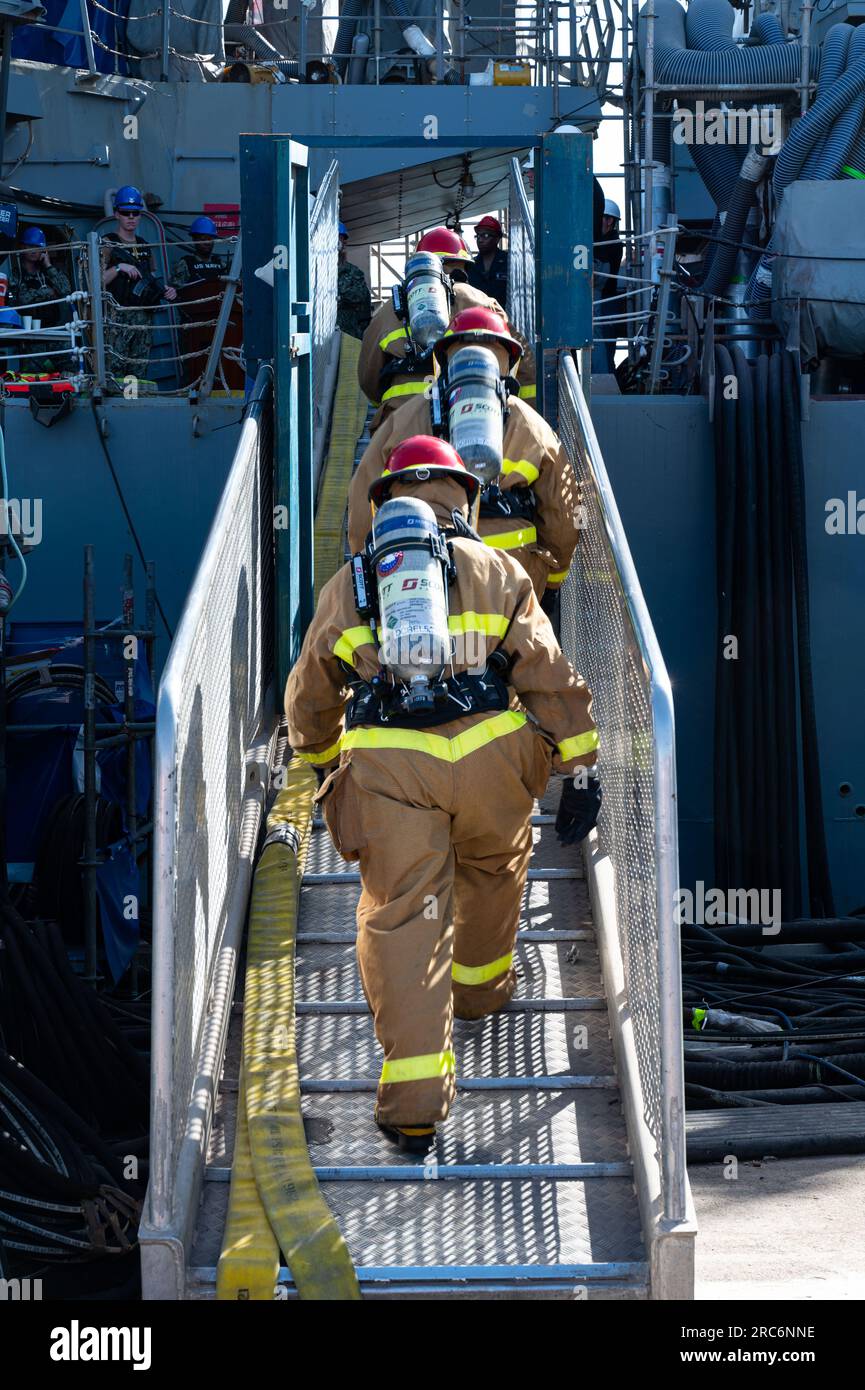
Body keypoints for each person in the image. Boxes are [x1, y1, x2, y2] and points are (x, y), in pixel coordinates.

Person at [285, 436, 600, 1151]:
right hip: (492, 757)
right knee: (490, 872)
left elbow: (309, 692)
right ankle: (482, 990)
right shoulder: (498, 569)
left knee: (403, 918)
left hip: (392, 769)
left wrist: (324, 760)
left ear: (385, 499)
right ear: (466, 496)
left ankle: (415, 1107)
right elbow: (547, 675)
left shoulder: (351, 581)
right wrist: (581, 767)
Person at [348, 307, 579, 602]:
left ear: (444, 357)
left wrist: (371, 568)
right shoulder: (529, 424)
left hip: (427, 574)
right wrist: (553, 578)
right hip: (513, 576)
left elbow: (362, 500)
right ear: (508, 359)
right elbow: (563, 509)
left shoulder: (405, 418)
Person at [358, 226, 536, 433]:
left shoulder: (389, 310)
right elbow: (521, 365)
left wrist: (386, 401)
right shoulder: (484, 302)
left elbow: (367, 377)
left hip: (401, 421)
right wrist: (522, 417)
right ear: (463, 266)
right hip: (470, 417)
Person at [101, 185, 176, 385]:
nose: (131, 217)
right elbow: (96, 281)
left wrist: (166, 290)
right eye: (126, 213)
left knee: (137, 370)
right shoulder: (108, 244)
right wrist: (118, 268)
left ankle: (130, 405)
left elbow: (150, 278)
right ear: (117, 214)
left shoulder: (144, 245)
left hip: (143, 318)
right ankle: (113, 408)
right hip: (118, 319)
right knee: (114, 368)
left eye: (136, 213)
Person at [8, 227, 72, 328]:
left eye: (37, 246)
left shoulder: (49, 272)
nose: (34, 250)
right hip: (28, 332)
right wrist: (47, 292)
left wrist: (48, 265)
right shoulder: (16, 275)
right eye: (30, 246)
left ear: (43, 250)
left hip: (53, 329)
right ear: (22, 247)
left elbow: (66, 290)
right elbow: (20, 301)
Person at [592, 197, 624, 375]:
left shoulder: (613, 244)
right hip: (603, 301)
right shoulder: (603, 242)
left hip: (606, 302)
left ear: (609, 220)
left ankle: (604, 379)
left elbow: (597, 275)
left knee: (603, 342)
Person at [337, 221, 372, 341]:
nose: (344, 243)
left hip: (349, 335)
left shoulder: (352, 272)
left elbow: (359, 297)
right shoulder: (315, 271)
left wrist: (339, 271)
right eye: (341, 238)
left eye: (343, 239)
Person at [466, 214, 509, 311]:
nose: (480, 240)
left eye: (485, 235)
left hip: (503, 320)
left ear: (497, 238)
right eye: (478, 236)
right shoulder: (470, 265)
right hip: (478, 318)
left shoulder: (508, 263)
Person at [172, 215, 228, 288]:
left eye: (210, 239)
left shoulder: (221, 264)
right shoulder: (185, 264)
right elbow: (176, 290)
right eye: (203, 239)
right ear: (194, 240)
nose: (207, 243)